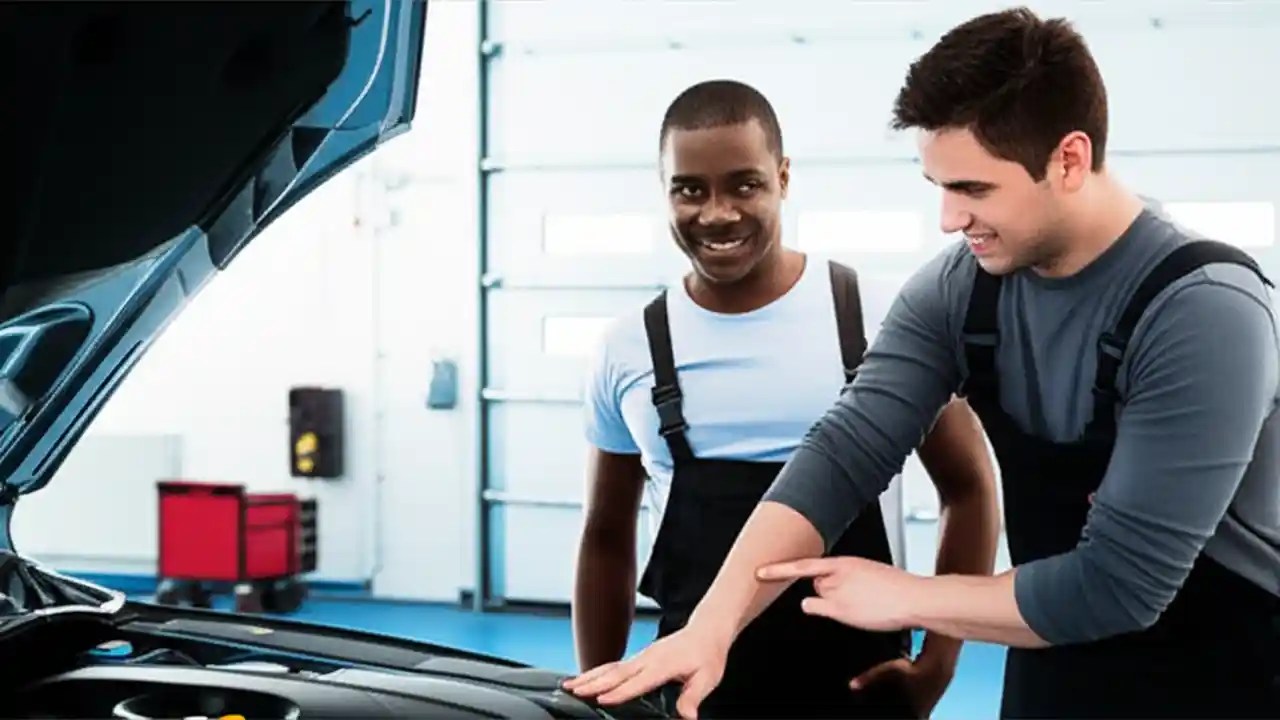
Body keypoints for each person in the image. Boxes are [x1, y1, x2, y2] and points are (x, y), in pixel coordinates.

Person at [564, 9, 1280, 720]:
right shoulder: (959, 290)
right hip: (1053, 672)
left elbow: (1122, 586)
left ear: (1068, 159)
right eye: (937, 185)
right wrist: (712, 627)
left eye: (972, 190)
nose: (946, 218)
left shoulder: (1206, 311)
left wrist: (903, 597)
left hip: (1225, 678)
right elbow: (846, 450)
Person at [570, 79, 1001, 720]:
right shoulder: (628, 347)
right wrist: (598, 697)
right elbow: (606, 534)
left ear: (783, 178)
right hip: (693, 699)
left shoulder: (876, 319)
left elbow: (968, 487)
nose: (717, 213)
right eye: (689, 189)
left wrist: (937, 663)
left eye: (744, 184)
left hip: (864, 693)